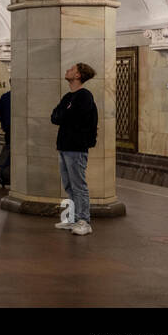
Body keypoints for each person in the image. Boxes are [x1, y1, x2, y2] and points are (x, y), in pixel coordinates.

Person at [52, 62, 98, 236]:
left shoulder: (84, 96)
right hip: (64, 146)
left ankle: (84, 221)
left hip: (76, 147)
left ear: (78, 75)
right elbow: (55, 117)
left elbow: (73, 117)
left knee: (79, 186)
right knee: (69, 185)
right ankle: (72, 219)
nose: (67, 71)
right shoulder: (68, 97)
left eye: (71, 69)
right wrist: (65, 114)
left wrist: (65, 114)